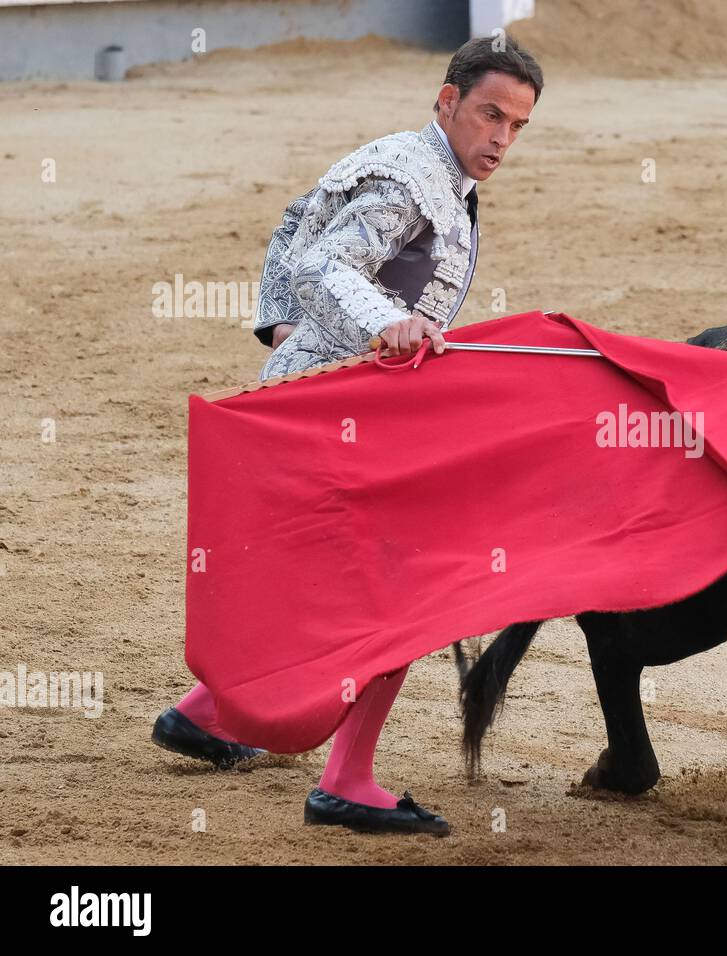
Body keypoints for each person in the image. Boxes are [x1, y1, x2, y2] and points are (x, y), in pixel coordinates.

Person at [152, 34, 543, 836]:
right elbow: (326, 260)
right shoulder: (412, 179)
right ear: (448, 102)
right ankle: (348, 780)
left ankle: (203, 712)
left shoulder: (419, 164)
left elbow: (299, 219)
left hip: (324, 401)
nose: (500, 139)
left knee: (331, 585)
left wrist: (282, 329)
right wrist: (383, 322)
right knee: (402, 590)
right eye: (489, 115)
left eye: (517, 126)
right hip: (336, 417)